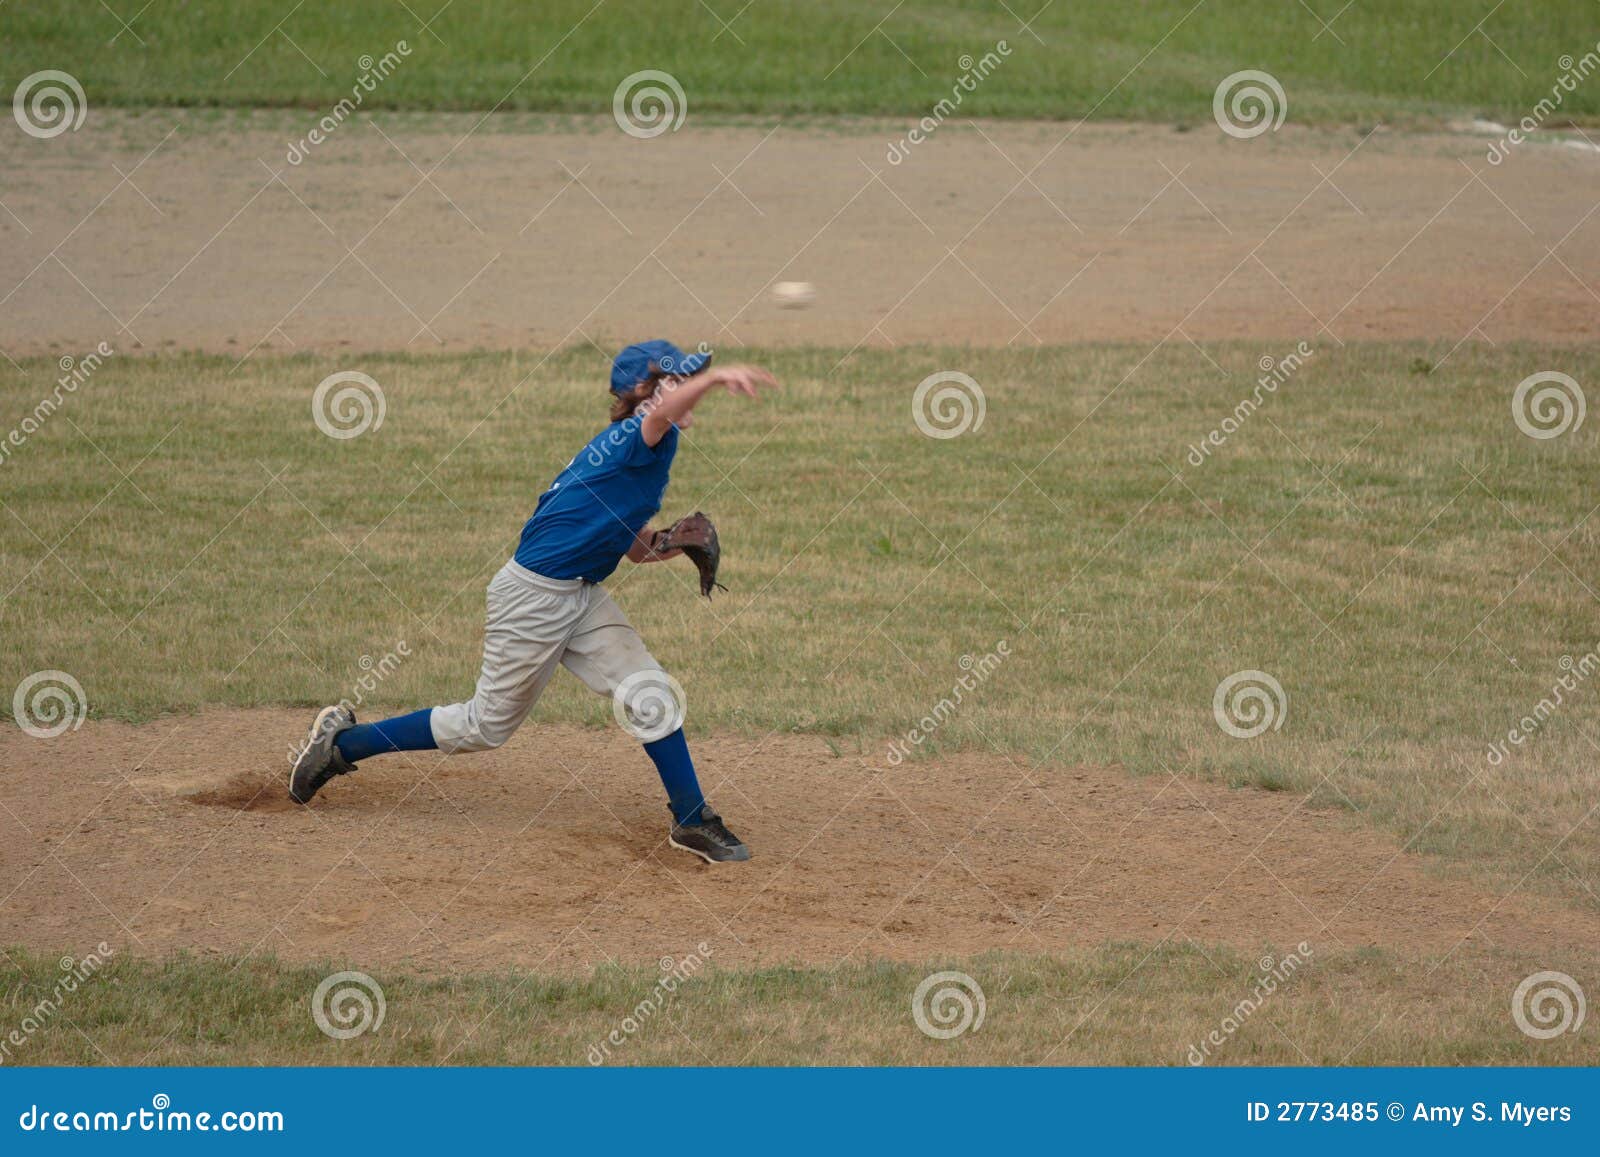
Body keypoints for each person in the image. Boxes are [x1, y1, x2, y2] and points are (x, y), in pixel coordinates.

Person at [286, 340, 776, 863]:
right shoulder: (637, 435)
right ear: (643, 396)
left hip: (580, 593)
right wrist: (718, 377)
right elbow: (662, 414)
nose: (688, 395)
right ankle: (342, 744)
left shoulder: (649, 450)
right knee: (483, 726)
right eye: (676, 383)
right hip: (533, 598)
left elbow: (632, 548)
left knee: (650, 691)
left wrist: (671, 545)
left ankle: (691, 819)